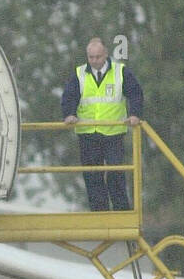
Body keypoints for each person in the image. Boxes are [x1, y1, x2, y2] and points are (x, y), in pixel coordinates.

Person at [61, 38, 143, 211]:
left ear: (106, 55)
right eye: (91, 57)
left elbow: (136, 93)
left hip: (113, 133)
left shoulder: (121, 72)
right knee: (92, 175)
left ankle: (122, 212)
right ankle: (100, 213)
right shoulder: (79, 74)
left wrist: (135, 114)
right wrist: (69, 114)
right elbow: (69, 96)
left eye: (98, 57)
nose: (94, 61)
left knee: (115, 173)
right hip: (88, 133)